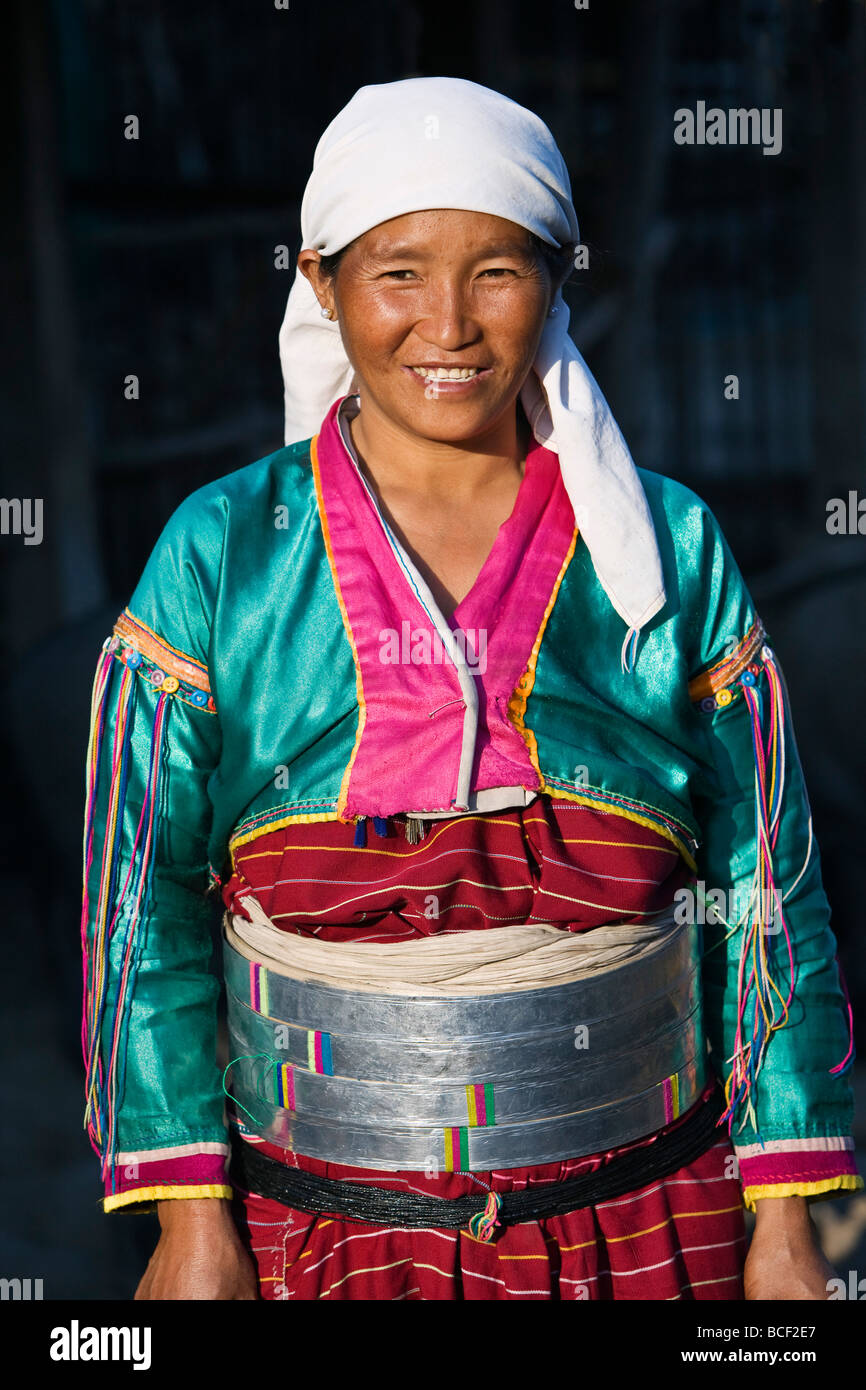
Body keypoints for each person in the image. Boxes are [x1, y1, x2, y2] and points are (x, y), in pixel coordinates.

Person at [81, 77, 860, 1302]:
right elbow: (144, 903)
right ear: (321, 283)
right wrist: (188, 1219)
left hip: (650, 1212)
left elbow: (766, 885)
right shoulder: (221, 553)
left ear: (556, 280)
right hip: (320, 1222)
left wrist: (782, 1214)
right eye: (396, 273)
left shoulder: (666, 546)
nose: (445, 324)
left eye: (495, 270)